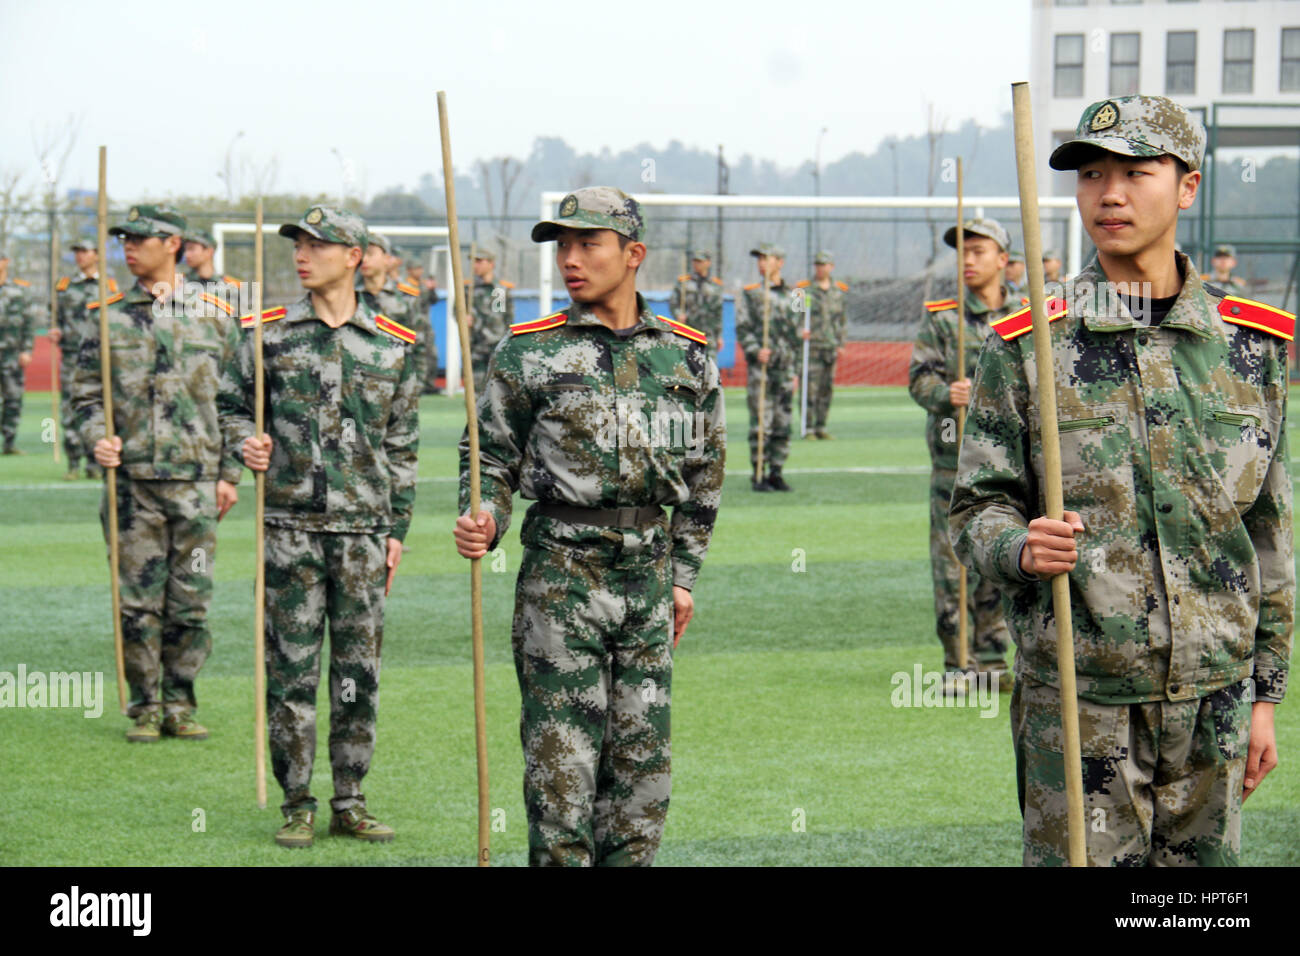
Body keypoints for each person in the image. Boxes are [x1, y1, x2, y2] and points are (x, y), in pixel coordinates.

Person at [950, 95, 1292, 866]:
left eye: (1136, 173)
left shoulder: (1252, 347)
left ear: (1188, 187)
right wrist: (1018, 545)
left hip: (1216, 700)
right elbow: (976, 507)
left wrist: (1264, 697)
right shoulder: (1030, 345)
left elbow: (1268, 530)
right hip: (1080, 703)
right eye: (1092, 174)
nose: (1109, 193)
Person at [452, 186, 726, 866]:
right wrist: (483, 514)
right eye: (562, 246)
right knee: (561, 775)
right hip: (560, 578)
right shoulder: (527, 353)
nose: (571, 260)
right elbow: (488, 456)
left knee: (641, 778)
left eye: (587, 244)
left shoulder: (687, 358)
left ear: (633, 255)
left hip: (648, 578)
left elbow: (705, 473)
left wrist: (683, 577)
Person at [219, 204, 419, 848]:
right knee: (292, 671)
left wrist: (396, 531)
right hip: (288, 527)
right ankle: (297, 800)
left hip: (363, 532)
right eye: (297, 245)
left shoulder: (393, 342)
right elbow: (229, 405)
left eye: (317, 245)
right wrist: (244, 441)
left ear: (354, 256)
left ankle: (351, 799)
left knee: (358, 672)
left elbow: (402, 447)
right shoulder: (265, 333)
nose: (302, 255)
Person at [70, 204, 241, 742]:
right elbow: (83, 396)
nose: (128, 247)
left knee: (191, 599)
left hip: (196, 486)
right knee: (137, 603)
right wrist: (96, 435)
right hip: (132, 488)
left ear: (172, 244)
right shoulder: (107, 317)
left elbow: (238, 402)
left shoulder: (217, 315)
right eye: (123, 239)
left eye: (140, 239)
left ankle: (180, 702)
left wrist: (230, 474)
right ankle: (144, 703)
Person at [910, 219, 1018, 685]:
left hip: (1010, 462)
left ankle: (994, 658)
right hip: (953, 463)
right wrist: (945, 392)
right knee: (952, 561)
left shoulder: (1029, 317)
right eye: (962, 253)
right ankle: (958, 661)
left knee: (1001, 556)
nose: (967, 261)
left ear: (1003, 260)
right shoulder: (943, 317)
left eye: (978, 251)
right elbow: (918, 378)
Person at [51, 239, 117, 477]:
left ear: (97, 255)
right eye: (77, 252)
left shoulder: (109, 285)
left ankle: (94, 462)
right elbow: (54, 315)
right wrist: (55, 329)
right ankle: (72, 461)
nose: (80, 256)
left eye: (84, 252)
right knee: (71, 405)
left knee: (98, 405)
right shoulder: (64, 285)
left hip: (100, 354)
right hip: (71, 354)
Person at [738, 242, 799, 491]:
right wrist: (755, 350)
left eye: (767, 258)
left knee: (783, 422)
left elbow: (798, 333)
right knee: (761, 422)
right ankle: (759, 473)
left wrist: (797, 370)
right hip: (761, 369)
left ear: (780, 262)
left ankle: (776, 471)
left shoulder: (797, 294)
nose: (762, 263)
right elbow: (743, 327)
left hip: (785, 368)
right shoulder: (751, 293)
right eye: (759, 259)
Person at [358, 230, 428, 398]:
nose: (364, 259)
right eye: (360, 254)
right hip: (358, 385)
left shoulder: (406, 297)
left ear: (387, 259)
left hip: (396, 383)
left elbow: (418, 343)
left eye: (370, 253)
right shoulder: (349, 297)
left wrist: (417, 385)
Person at [795, 250, 848, 440]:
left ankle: (821, 425)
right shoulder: (802, 290)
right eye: (817, 265)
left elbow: (841, 319)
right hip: (811, 347)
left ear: (831, 267)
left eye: (824, 265)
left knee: (826, 388)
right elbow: (794, 316)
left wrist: (841, 342)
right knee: (809, 388)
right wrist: (799, 331)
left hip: (830, 346)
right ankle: (807, 427)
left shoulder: (839, 291)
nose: (820, 268)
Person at [0, 250, 38, 455]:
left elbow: (29, 323)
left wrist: (27, 350)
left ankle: (9, 441)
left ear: (6, 261)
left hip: (11, 355)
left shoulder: (19, 291)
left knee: (13, 398)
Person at [464, 246, 514, 393]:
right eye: (473, 262)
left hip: (496, 346)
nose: (475, 265)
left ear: (491, 264)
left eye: (479, 261)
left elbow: (506, 318)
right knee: (475, 390)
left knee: (498, 389)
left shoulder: (500, 289)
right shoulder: (468, 289)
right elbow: (458, 311)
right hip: (475, 346)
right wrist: (463, 319)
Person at [670, 250, 724, 359]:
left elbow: (718, 312)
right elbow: (673, 303)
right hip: (688, 332)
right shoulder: (684, 283)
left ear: (708, 263)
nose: (696, 264)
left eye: (700, 261)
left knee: (709, 369)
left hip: (708, 334)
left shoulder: (715, 285)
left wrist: (719, 336)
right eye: (695, 261)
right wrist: (678, 314)